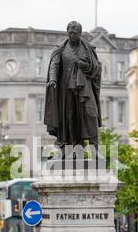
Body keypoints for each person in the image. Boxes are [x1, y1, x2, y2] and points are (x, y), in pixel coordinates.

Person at [44, 21, 102, 159]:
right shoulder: (61, 49)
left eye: (74, 33)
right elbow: (54, 65)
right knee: (69, 119)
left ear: (80, 33)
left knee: (90, 116)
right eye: (69, 32)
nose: (72, 35)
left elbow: (97, 69)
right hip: (66, 92)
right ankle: (68, 149)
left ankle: (94, 149)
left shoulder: (88, 49)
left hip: (84, 90)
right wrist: (52, 79)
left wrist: (84, 65)